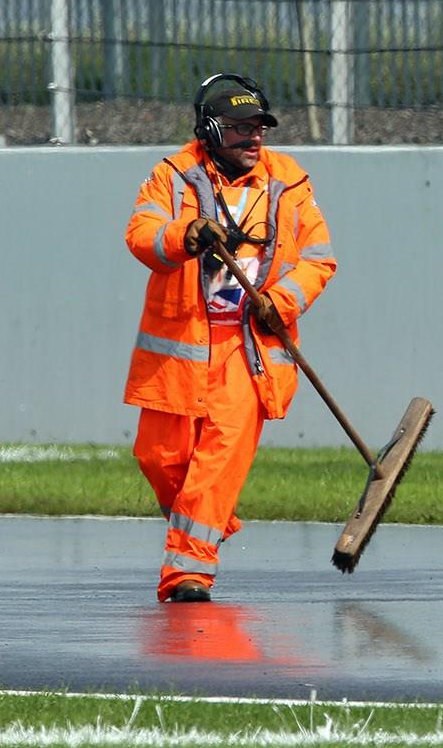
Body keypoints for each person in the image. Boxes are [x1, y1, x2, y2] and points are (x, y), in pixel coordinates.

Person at [124, 73, 336, 603]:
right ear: (212, 130)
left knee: (217, 461)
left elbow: (317, 259)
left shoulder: (290, 182)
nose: (255, 138)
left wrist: (280, 303)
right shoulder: (173, 175)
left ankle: (188, 572)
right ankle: (211, 517)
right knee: (159, 456)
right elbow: (141, 234)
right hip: (179, 350)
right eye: (242, 129)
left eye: (259, 128)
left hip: (251, 351)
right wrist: (186, 234)